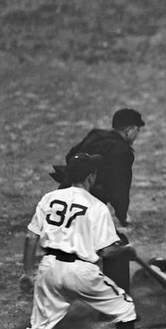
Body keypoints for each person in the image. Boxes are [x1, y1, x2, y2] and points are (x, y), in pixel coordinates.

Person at [0, 153, 156, 329]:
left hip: (48, 269)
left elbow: (31, 237)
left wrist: (29, 272)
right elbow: (106, 251)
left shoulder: (49, 198)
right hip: (80, 271)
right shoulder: (96, 206)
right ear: (91, 177)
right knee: (125, 306)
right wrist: (127, 250)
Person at [50, 108, 145, 292]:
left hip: (65, 198)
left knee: (73, 244)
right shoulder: (123, 151)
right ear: (129, 130)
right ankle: (116, 299)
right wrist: (122, 215)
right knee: (116, 244)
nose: (136, 135)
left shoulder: (95, 136)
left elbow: (71, 157)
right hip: (88, 206)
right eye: (137, 131)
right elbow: (120, 188)